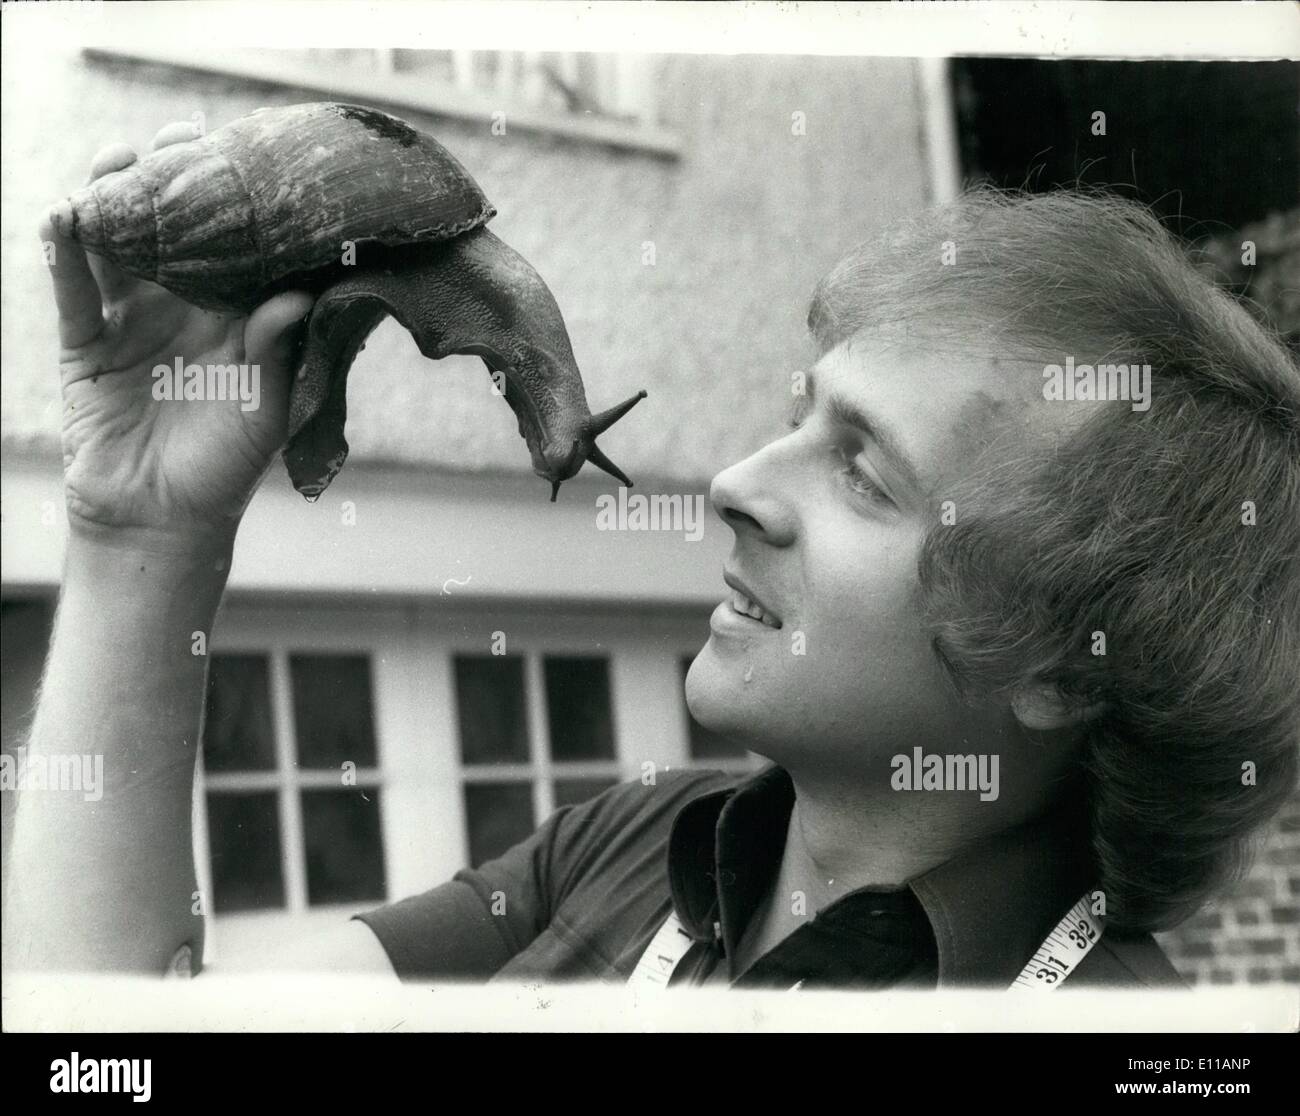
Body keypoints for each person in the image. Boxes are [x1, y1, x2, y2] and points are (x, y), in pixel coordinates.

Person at [8, 120, 1298, 990]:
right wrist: (141, 533)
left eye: (863, 468)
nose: (735, 485)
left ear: (1065, 667)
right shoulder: (629, 854)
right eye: (798, 417)